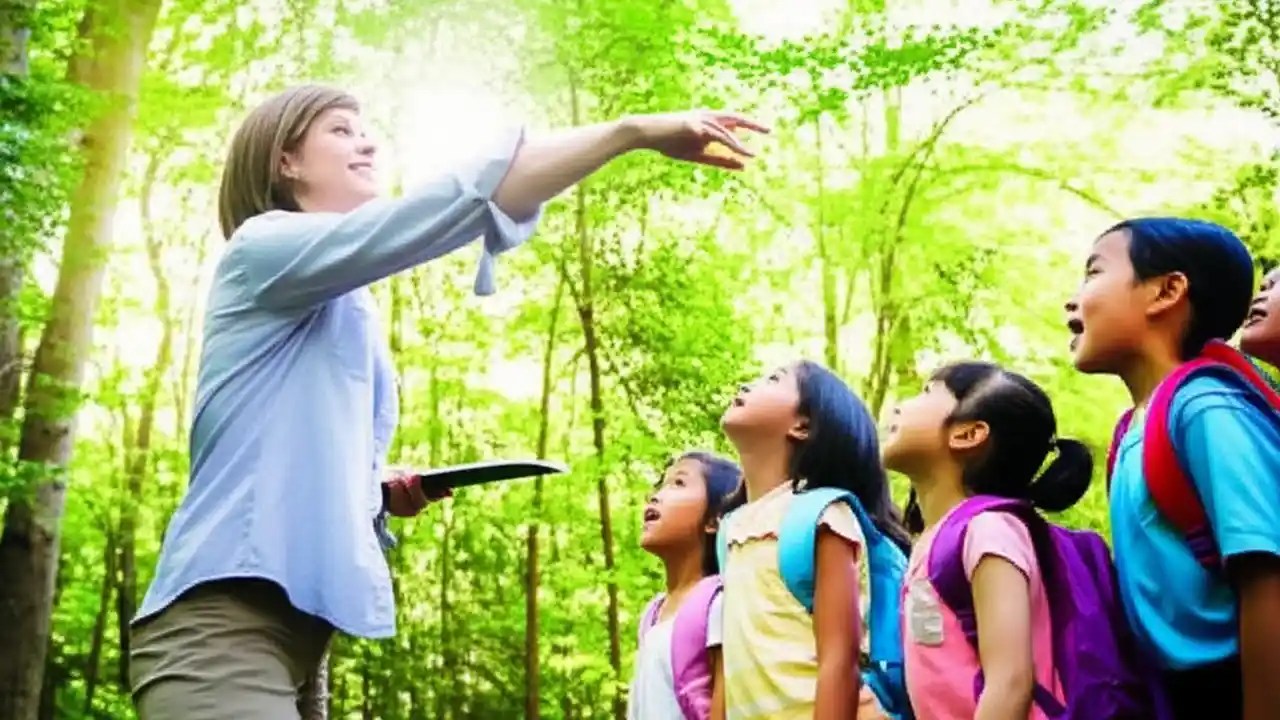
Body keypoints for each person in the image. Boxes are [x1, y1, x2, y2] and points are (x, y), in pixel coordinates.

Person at [127, 83, 769, 719]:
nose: (368, 141)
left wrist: (371, 490)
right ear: (285, 162)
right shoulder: (261, 247)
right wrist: (633, 132)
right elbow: (458, 203)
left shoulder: (339, 299)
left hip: (298, 641)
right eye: (342, 129)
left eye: (364, 128)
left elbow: (287, 453)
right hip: (220, 631)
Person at [1066, 217, 1280, 720]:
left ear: (1166, 291)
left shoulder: (1204, 407)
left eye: (1093, 273)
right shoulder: (1131, 431)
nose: (1072, 301)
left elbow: (1266, 572)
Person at [883, 362, 1087, 719]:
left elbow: (1010, 683)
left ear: (968, 434)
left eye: (927, 393)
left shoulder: (989, 530)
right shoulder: (935, 539)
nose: (902, 404)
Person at [717, 360, 910, 720]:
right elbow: (731, 666)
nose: (746, 385)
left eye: (773, 378)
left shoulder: (823, 515)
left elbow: (839, 659)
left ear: (802, 425)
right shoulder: (731, 530)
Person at [629, 451, 742, 720]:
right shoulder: (652, 613)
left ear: (714, 519)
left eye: (678, 483)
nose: (656, 495)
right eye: (660, 485)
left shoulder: (720, 604)